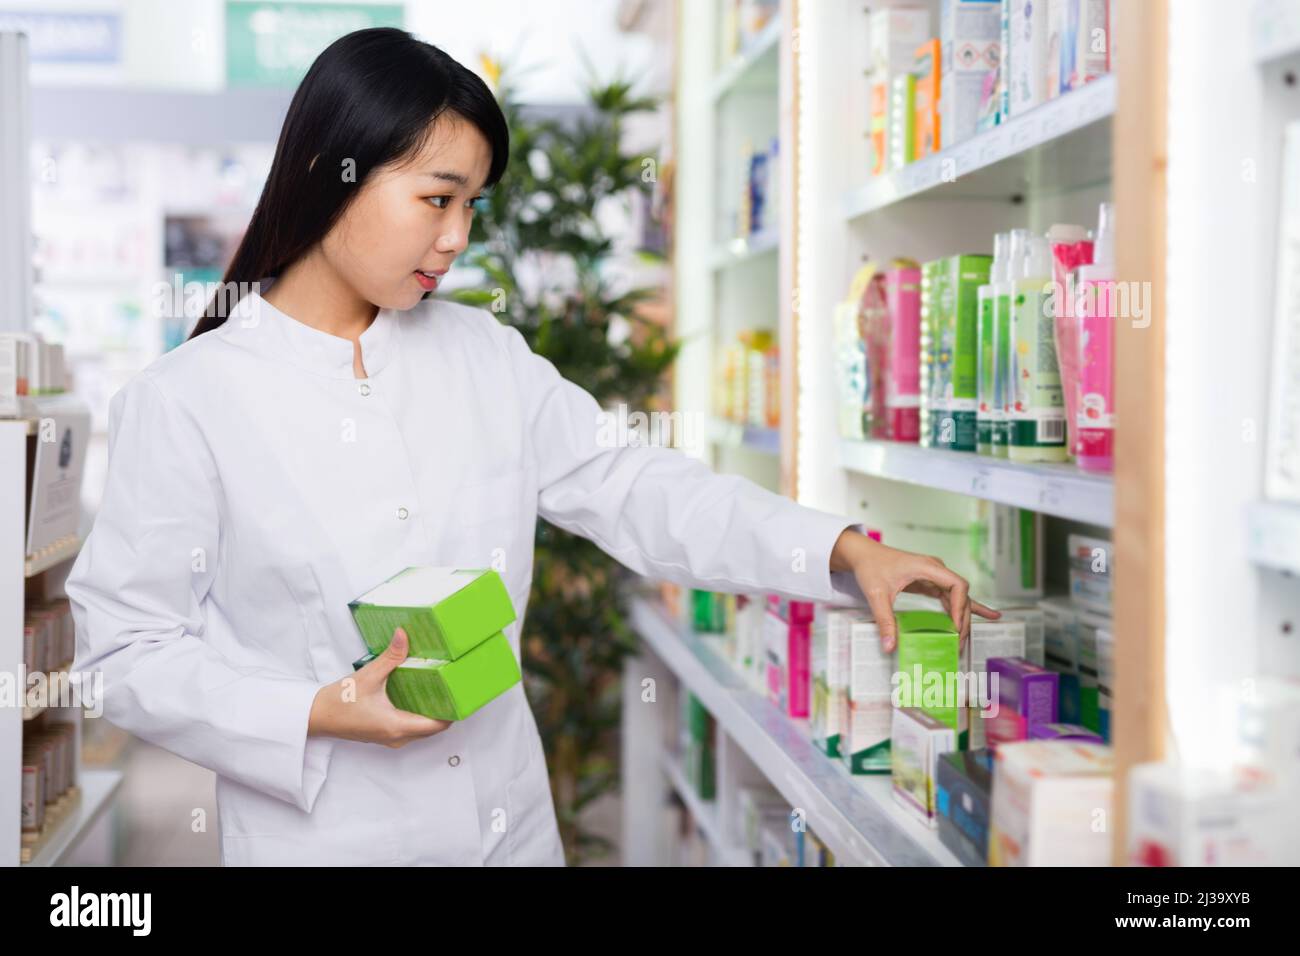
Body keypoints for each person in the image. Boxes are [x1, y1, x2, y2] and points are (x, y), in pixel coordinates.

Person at [65, 27, 996, 866]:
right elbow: (125, 651)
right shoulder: (190, 400)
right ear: (329, 166)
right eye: (437, 198)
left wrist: (841, 549)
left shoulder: (482, 353)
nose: (457, 237)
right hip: (325, 836)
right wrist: (314, 712)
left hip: (510, 823)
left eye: (472, 205)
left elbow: (635, 486)